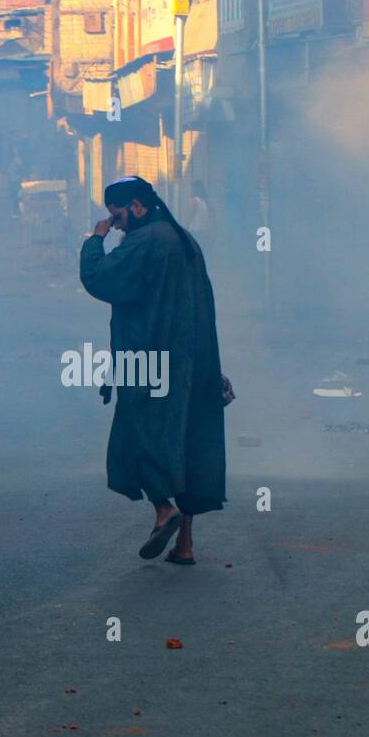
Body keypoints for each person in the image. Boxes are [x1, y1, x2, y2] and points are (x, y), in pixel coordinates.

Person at [79, 176, 227, 563]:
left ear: (138, 207)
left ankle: (164, 510)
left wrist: (95, 241)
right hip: (193, 365)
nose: (116, 224)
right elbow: (204, 310)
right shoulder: (185, 241)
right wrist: (214, 368)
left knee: (138, 436)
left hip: (147, 363)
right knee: (189, 446)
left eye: (118, 216)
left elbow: (100, 280)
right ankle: (185, 545)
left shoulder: (145, 242)